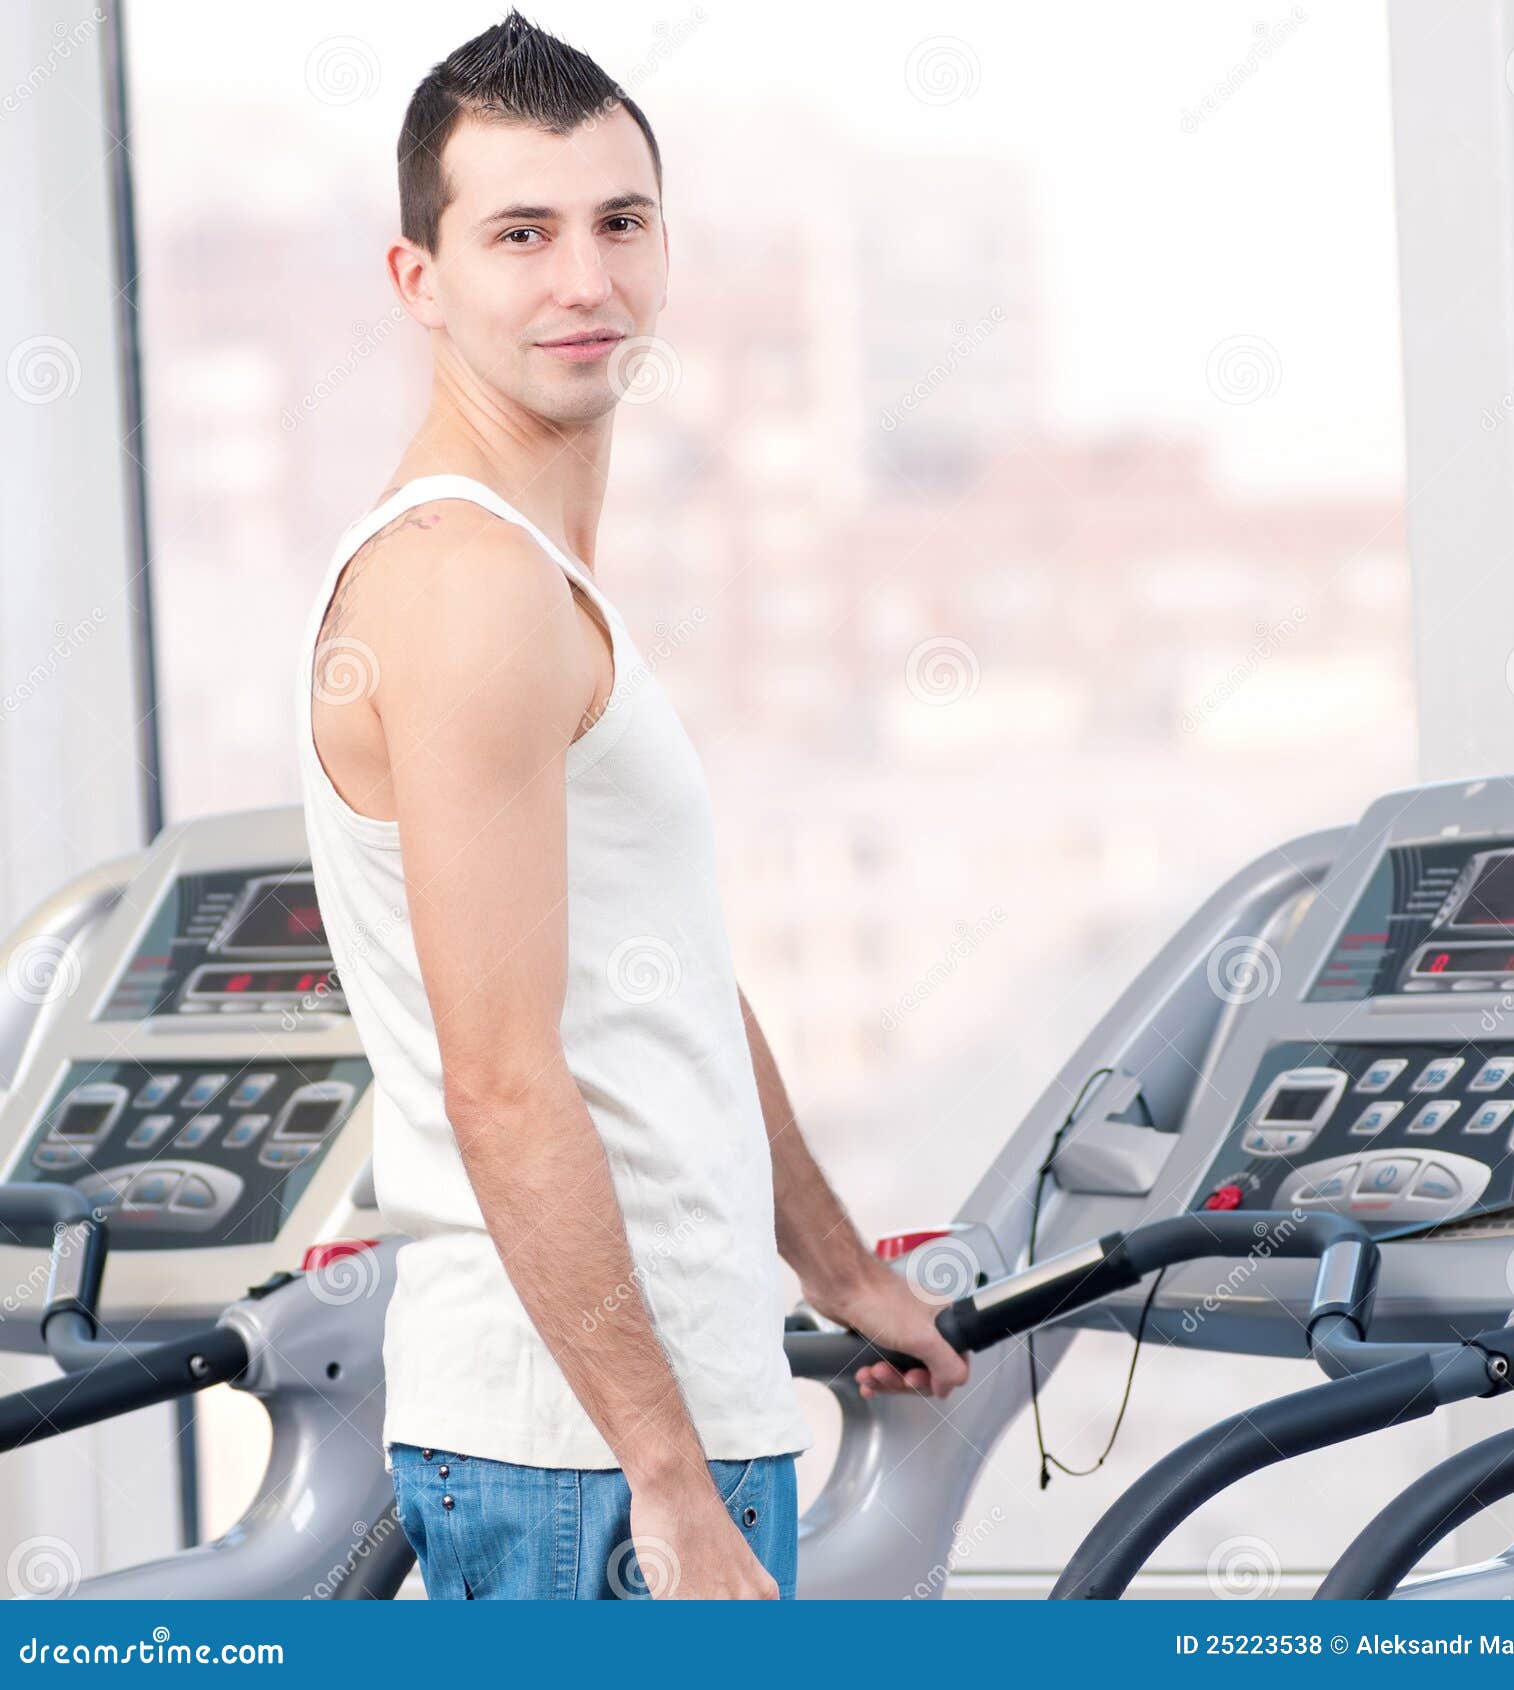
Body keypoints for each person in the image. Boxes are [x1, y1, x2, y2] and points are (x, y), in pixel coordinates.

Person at [294, 11, 969, 1601]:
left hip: (649, 1429)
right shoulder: (466, 586)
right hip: (584, 1463)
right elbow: (500, 1083)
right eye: (522, 234)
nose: (585, 280)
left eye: (621, 223)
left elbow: (662, 974)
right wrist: (664, 1478)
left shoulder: (537, 578)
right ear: (420, 279)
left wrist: (838, 1261)